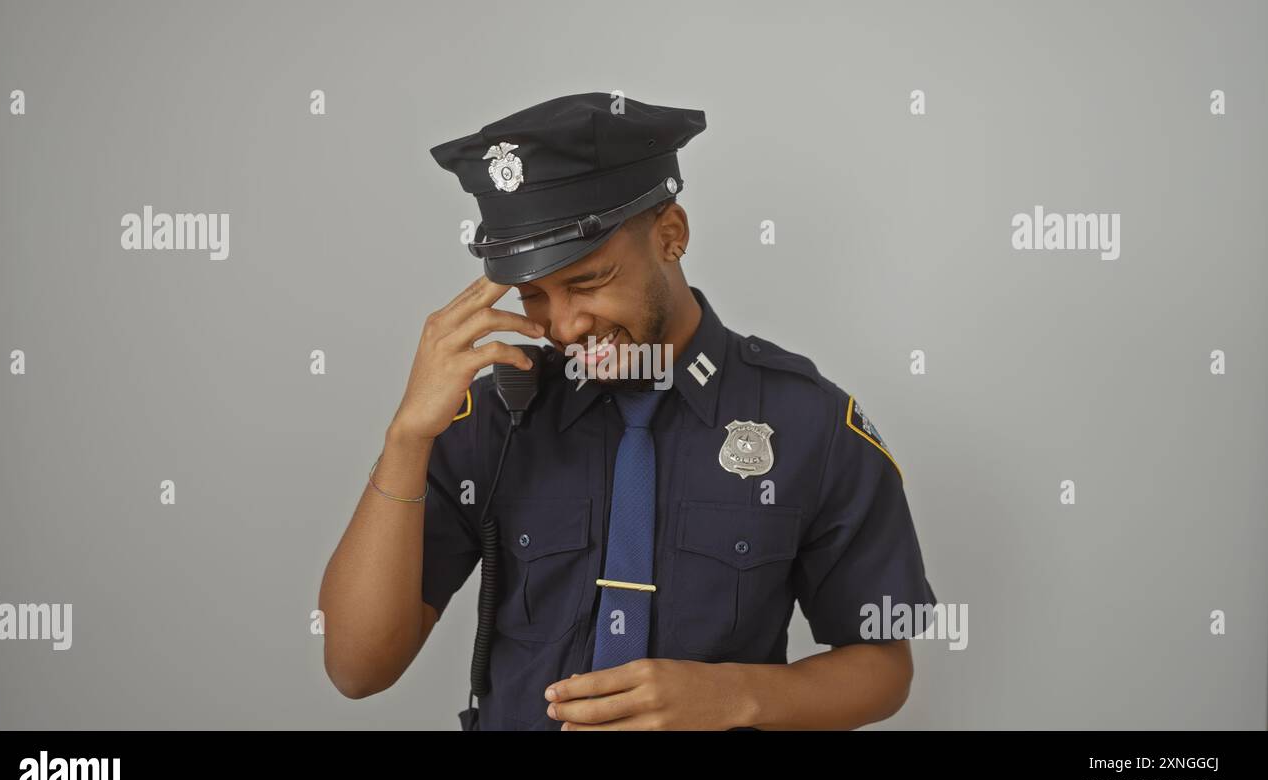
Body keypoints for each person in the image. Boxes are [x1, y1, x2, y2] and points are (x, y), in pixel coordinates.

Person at [318, 92, 937, 730]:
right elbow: (358, 668)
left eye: (587, 282)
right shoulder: (493, 413)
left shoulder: (809, 422)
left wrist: (733, 696)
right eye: (534, 295)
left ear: (671, 236)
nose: (564, 325)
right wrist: (406, 439)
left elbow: (884, 667)